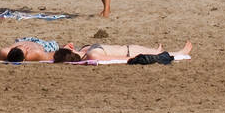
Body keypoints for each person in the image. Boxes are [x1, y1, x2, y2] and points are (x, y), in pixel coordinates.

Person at [49, 41, 193, 63]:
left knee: (158, 51)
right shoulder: (92, 55)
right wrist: (137, 57)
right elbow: (118, 58)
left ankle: (177, 52)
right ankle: (181, 52)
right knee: (164, 53)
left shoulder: (84, 51)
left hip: (129, 47)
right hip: (130, 51)